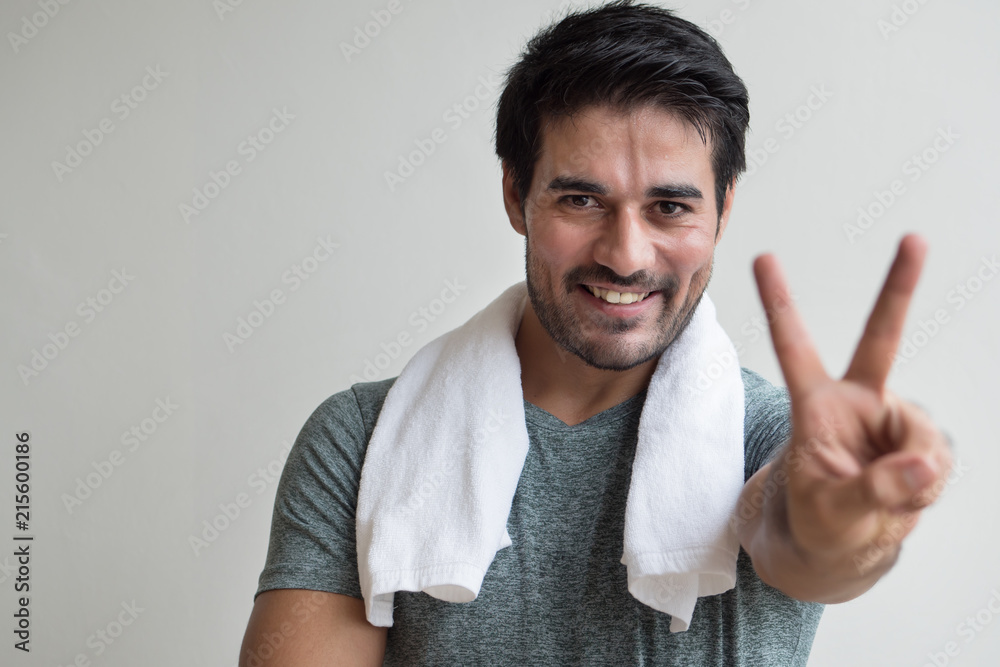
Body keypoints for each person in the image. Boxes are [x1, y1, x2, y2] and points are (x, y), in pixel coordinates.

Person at [238, 2, 953, 664]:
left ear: (724, 210)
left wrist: (838, 516)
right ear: (516, 193)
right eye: (581, 199)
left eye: (670, 206)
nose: (626, 254)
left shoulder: (772, 437)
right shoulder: (359, 438)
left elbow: (801, 538)